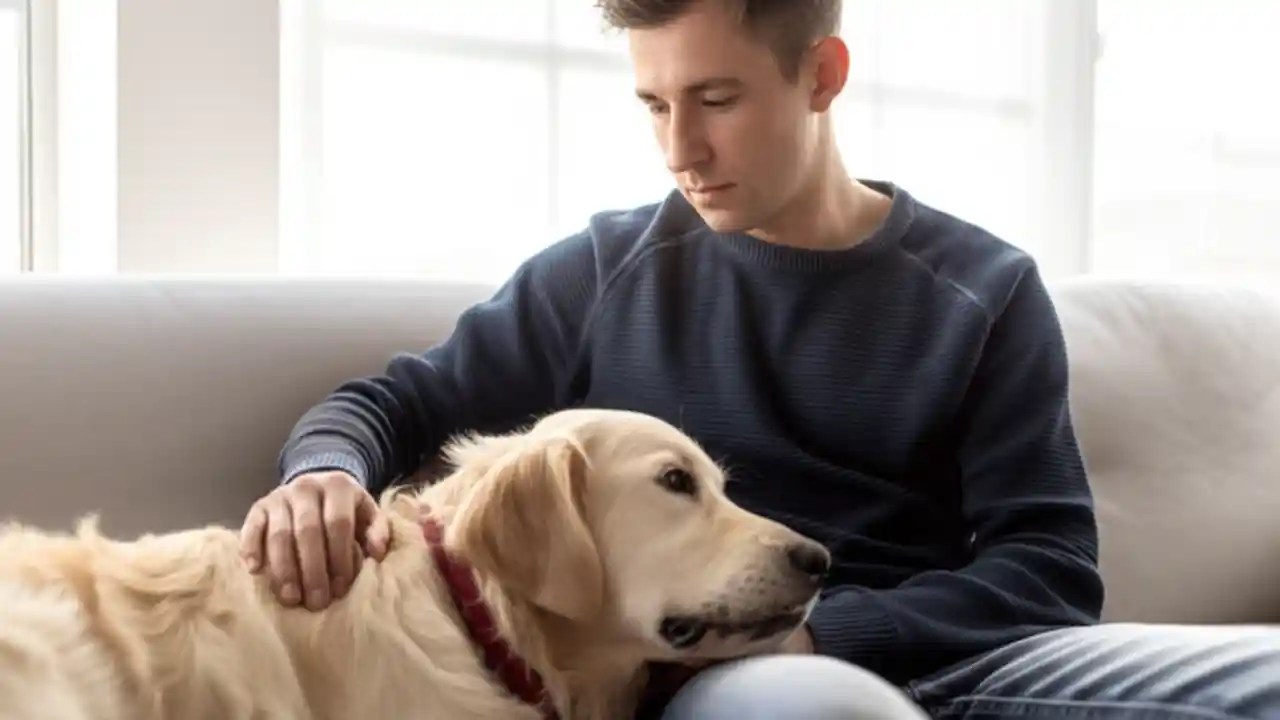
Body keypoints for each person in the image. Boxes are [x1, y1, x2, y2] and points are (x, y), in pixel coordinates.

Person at [239, 0, 1280, 717]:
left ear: (820, 74)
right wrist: (322, 473)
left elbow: (1049, 570)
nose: (677, 148)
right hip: (745, 684)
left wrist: (829, 635)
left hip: (971, 663)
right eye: (653, 104)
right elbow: (396, 402)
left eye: (715, 100)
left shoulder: (983, 289)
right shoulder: (606, 270)